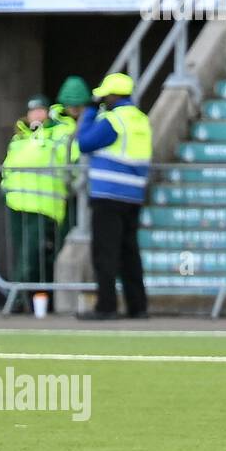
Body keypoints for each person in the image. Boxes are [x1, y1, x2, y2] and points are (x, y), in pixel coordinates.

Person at [75, 73, 151, 320]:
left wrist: (89, 112)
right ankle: (137, 307)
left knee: (105, 254)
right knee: (130, 253)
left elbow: (84, 143)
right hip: (134, 194)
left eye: (104, 95)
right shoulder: (140, 119)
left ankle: (106, 307)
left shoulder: (113, 119)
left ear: (113, 95)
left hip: (109, 194)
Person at [1, 95, 68, 295]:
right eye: (33, 111)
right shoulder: (19, 137)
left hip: (43, 204)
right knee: (22, 254)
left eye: (40, 110)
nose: (36, 114)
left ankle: (18, 299)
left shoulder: (58, 133)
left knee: (31, 257)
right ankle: (23, 300)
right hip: (16, 203)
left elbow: (68, 160)